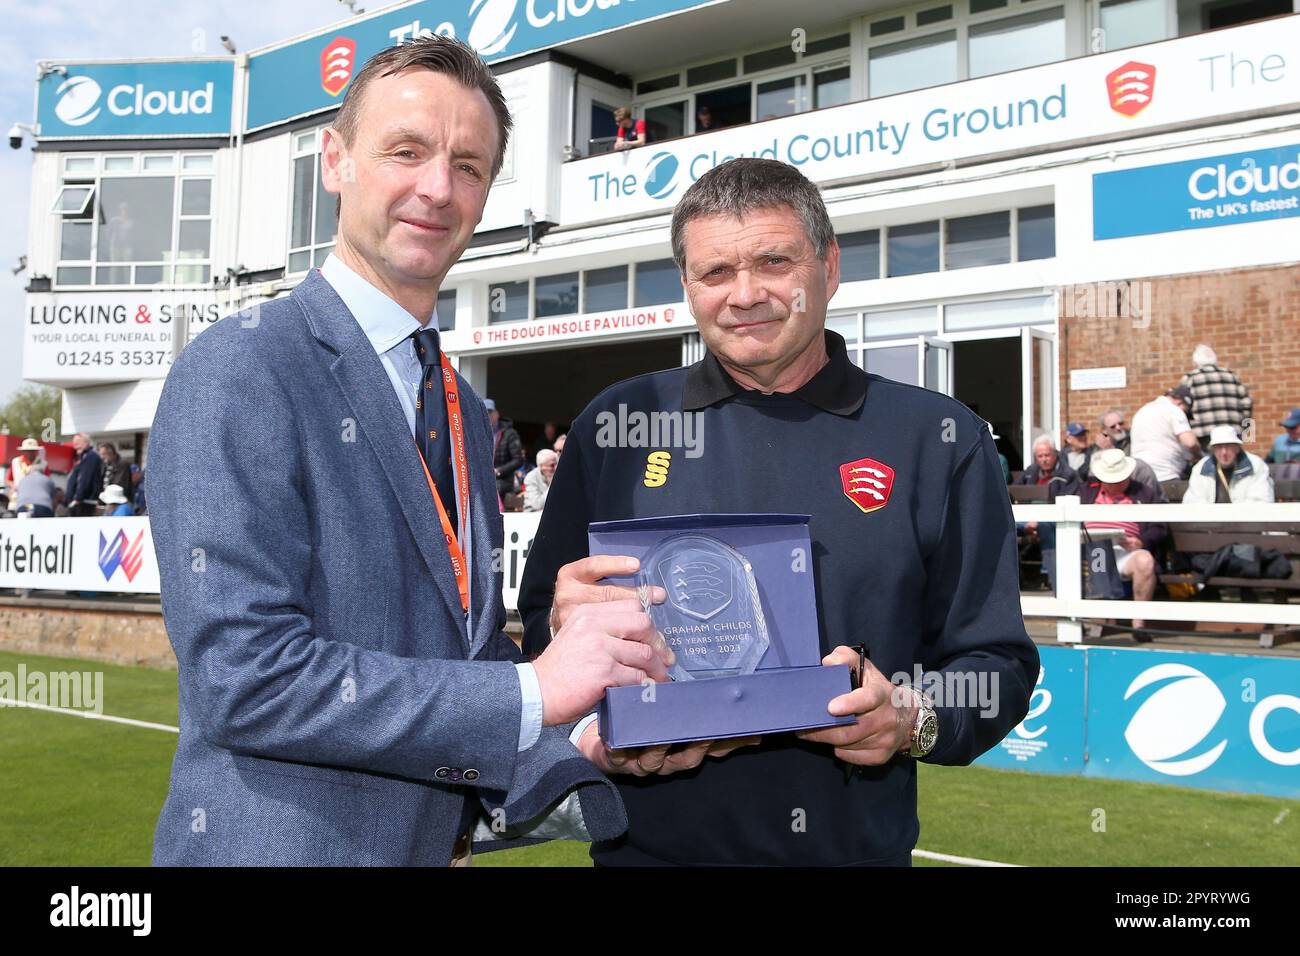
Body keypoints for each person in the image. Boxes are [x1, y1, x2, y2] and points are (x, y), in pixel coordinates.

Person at [145, 37, 676, 868]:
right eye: (407, 151)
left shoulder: (462, 407)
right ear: (335, 161)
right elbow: (244, 680)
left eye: (469, 166)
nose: (437, 188)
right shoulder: (241, 365)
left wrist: (584, 732)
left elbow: (456, 669)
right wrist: (535, 689)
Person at [518, 158, 1038, 867]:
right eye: (716, 273)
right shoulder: (620, 422)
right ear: (688, 287)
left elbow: (996, 662)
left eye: (773, 261)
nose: (746, 294)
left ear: (828, 266)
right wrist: (572, 668)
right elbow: (542, 629)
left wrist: (911, 718)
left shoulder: (935, 438)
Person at [1080, 448, 1168, 638]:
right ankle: (1099, 623)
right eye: (1109, 480)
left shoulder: (1144, 492)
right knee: (1099, 551)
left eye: (1118, 480)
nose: (1114, 484)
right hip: (1095, 549)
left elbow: (1160, 527)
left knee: (1145, 561)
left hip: (1128, 550)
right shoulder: (1087, 491)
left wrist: (1141, 541)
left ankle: (1138, 624)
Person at [1179, 344, 1252, 452]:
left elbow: (1182, 406)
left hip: (1203, 432)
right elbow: (1247, 404)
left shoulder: (1190, 378)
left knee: (1208, 463)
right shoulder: (1232, 375)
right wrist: (1247, 434)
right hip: (1232, 430)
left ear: (1196, 361)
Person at [1183, 425, 1274, 504]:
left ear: (1237, 448)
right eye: (1219, 447)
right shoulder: (1200, 468)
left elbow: (1262, 501)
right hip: (1210, 522)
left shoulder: (1256, 466)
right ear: (1213, 450)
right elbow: (1192, 502)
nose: (1224, 452)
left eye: (1228, 446)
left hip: (1245, 522)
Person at [1130, 385, 1201, 482]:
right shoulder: (1174, 410)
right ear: (1180, 403)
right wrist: (1199, 455)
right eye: (1186, 411)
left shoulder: (1142, 411)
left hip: (1139, 476)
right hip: (1166, 475)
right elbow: (1190, 443)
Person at [486, 399, 524, 500]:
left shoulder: (509, 433)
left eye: (489, 412)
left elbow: (518, 460)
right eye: (484, 412)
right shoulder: (477, 433)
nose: (487, 415)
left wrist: (498, 471)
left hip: (504, 480)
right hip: (484, 479)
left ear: (496, 414)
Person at [65, 433, 103, 516]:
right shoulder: (81, 458)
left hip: (85, 502)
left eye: (78, 442)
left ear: (86, 443)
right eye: (74, 443)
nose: (75, 446)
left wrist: (78, 498)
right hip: (80, 502)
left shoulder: (91, 457)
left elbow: (85, 479)